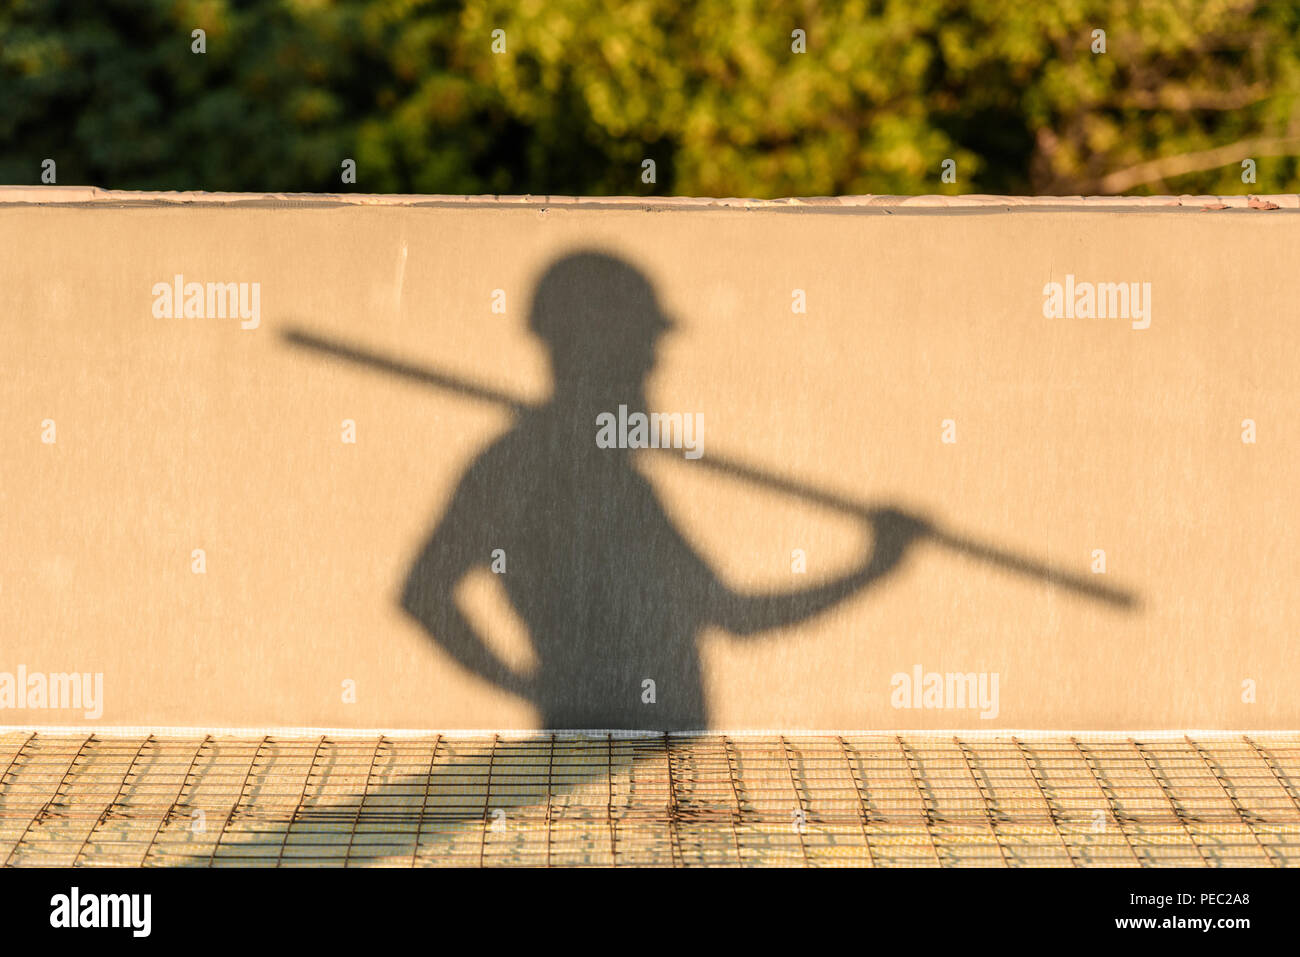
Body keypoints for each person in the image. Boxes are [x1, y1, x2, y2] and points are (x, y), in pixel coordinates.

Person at [401, 251, 927, 730]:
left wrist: (532, 687)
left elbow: (731, 616)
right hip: (623, 769)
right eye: (638, 350)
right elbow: (734, 617)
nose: (652, 367)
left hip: (633, 762)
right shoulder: (540, 471)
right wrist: (875, 566)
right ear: (594, 353)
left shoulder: (586, 475)